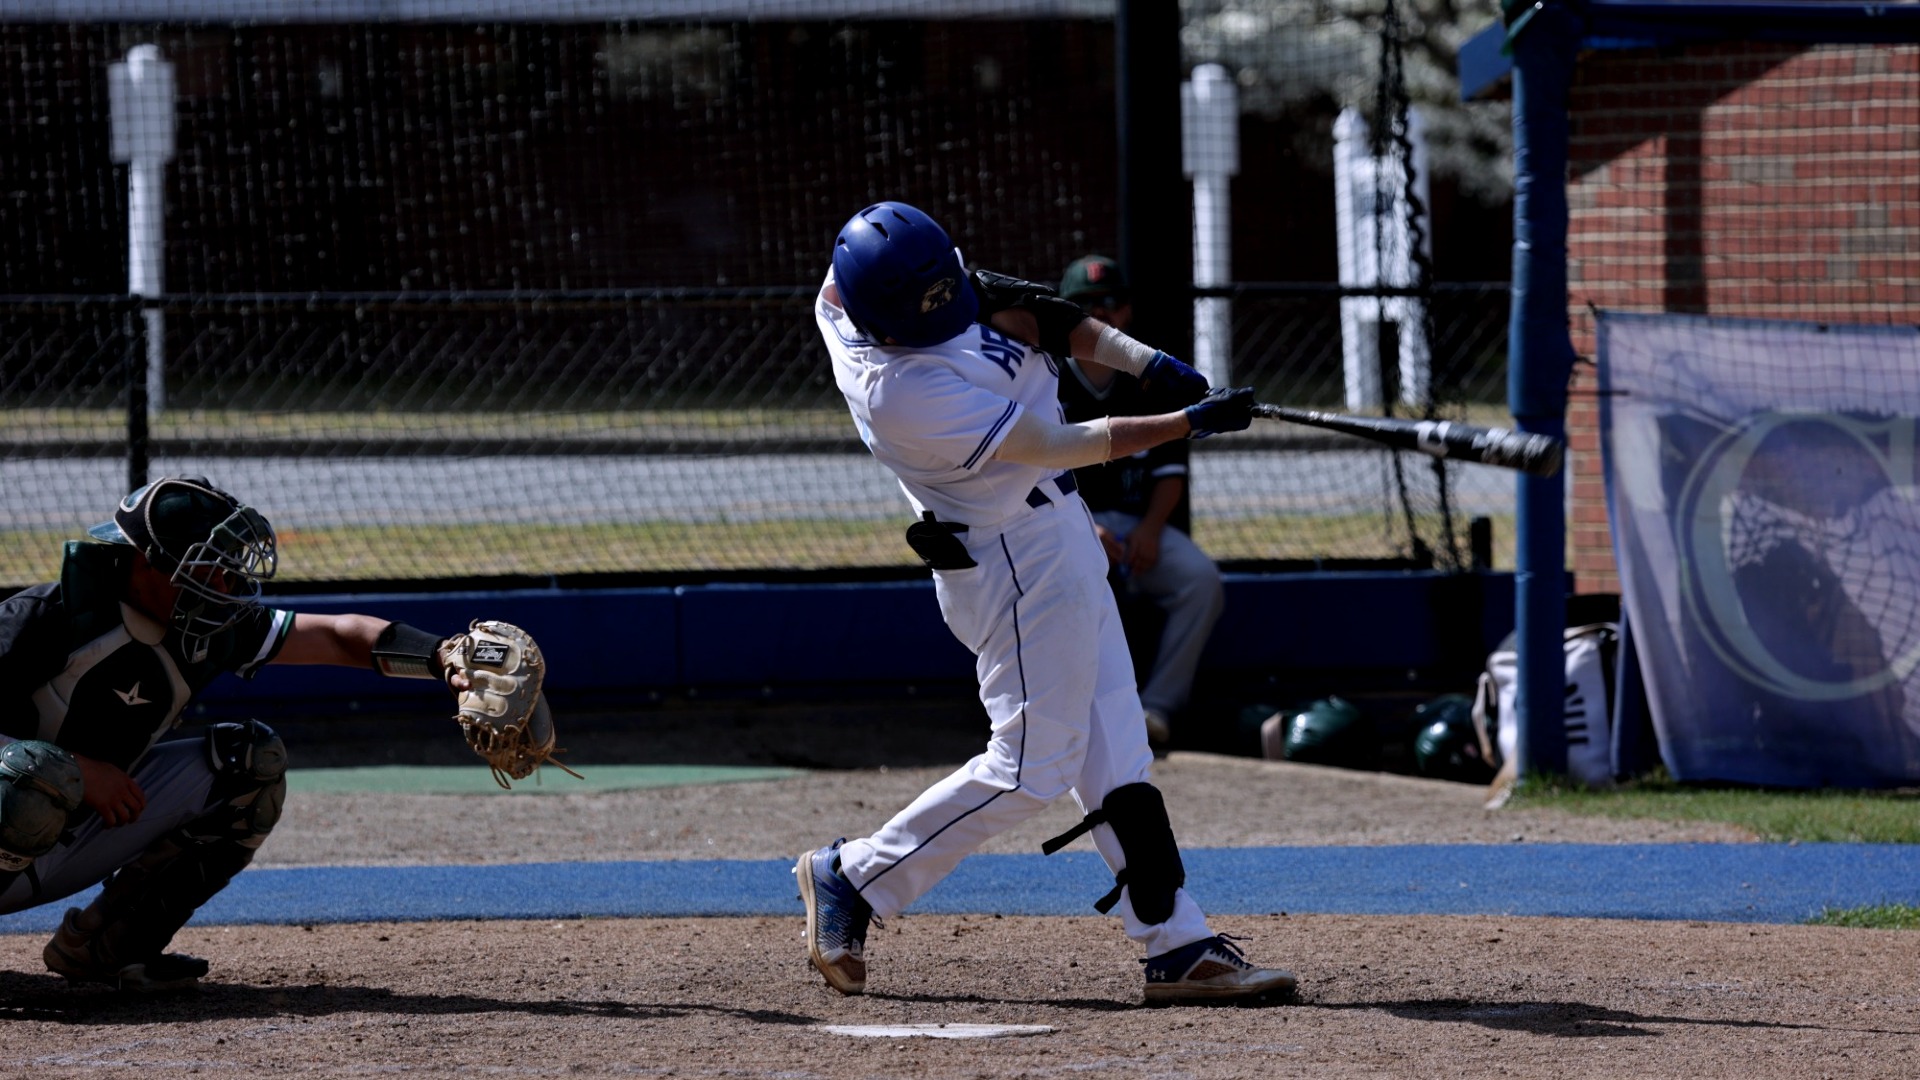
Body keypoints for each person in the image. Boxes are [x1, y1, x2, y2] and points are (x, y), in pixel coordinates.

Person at [799, 200, 1294, 1004]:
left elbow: (1029, 305)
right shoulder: (900, 393)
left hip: (1055, 533)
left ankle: (1177, 941)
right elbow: (1070, 444)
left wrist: (1146, 359)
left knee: (1118, 753)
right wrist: (1185, 423)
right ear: (885, 321)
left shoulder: (851, 291)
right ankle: (854, 876)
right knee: (1033, 765)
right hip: (1013, 563)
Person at [0, 475, 516, 991]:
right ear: (147, 561)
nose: (223, 585)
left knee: (250, 761)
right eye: (207, 567)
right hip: (16, 816)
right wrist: (78, 769)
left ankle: (105, 948)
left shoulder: (208, 627)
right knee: (38, 776)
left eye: (227, 569)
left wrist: (442, 656)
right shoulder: (45, 618)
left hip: (66, 843)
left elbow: (338, 638)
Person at [1055, 254, 1226, 747]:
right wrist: (1085, 529)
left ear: (1127, 311)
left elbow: (1169, 472)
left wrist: (1151, 529)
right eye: (1085, 304)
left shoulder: (1149, 374)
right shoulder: (1044, 375)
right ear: (1063, 312)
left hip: (1136, 526)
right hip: (1066, 524)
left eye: (1111, 301)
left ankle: (1158, 709)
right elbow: (1031, 477)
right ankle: (1073, 716)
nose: (1101, 312)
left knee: (1200, 580)